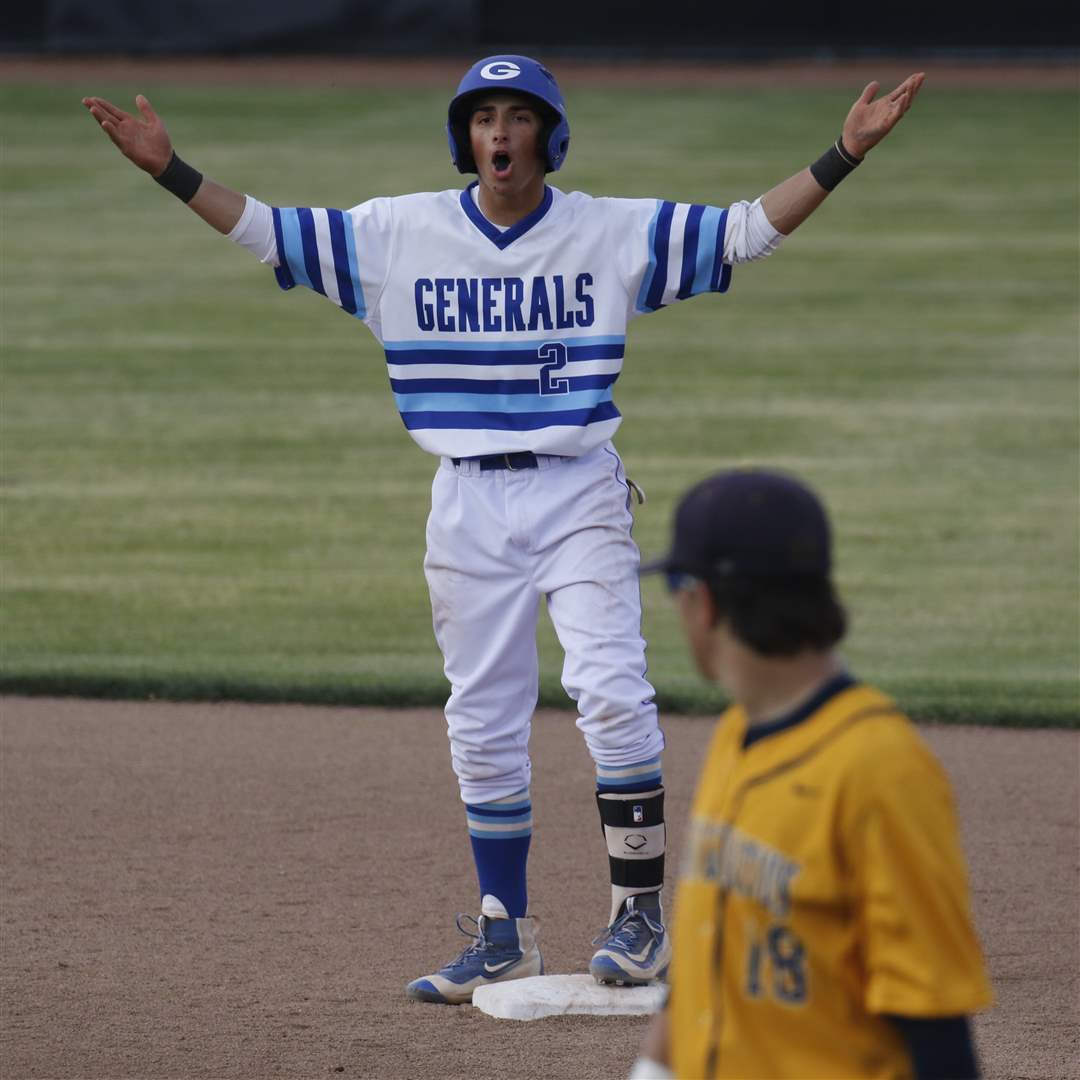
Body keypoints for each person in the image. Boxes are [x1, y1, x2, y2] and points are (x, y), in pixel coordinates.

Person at [82, 56, 924, 1006]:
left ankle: (638, 916)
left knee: (608, 689)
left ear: (547, 137)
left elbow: (740, 234)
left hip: (577, 492)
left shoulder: (604, 231)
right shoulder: (398, 232)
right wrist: (169, 168)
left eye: (518, 116)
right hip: (464, 501)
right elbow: (270, 233)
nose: (499, 133)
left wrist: (843, 154)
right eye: (482, 116)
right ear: (463, 138)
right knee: (480, 718)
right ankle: (503, 930)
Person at [631, 469, 993, 1078]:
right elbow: (707, 948)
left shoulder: (881, 771)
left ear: (706, 602)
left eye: (675, 585)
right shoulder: (734, 735)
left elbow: (935, 1025)